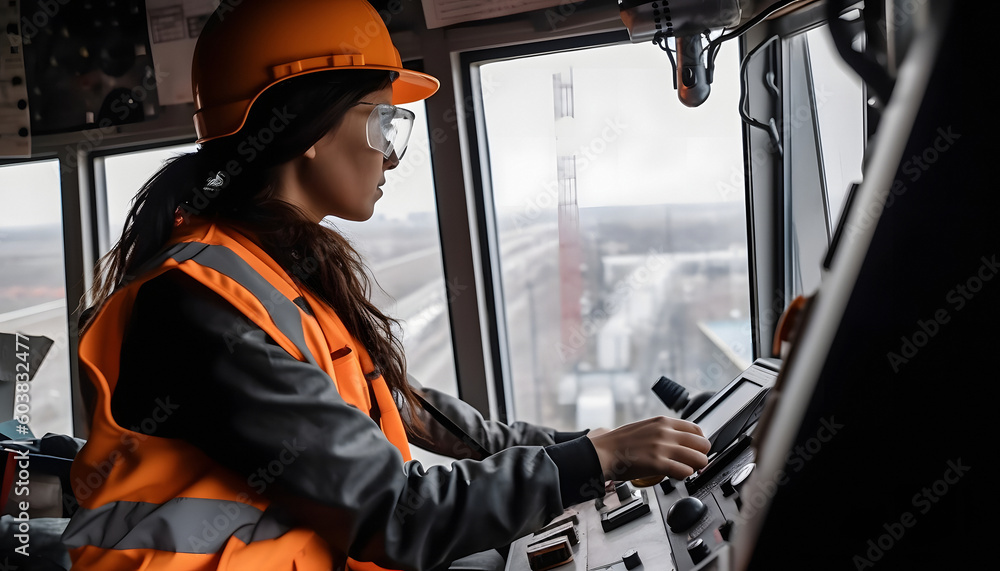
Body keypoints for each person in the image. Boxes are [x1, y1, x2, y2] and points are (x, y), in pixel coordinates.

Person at [61, 1, 711, 570]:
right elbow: (396, 512)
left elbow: (404, 406)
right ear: (313, 127)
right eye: (383, 123)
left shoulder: (272, 274)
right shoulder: (198, 304)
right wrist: (597, 459)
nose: (391, 157)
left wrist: (595, 448)